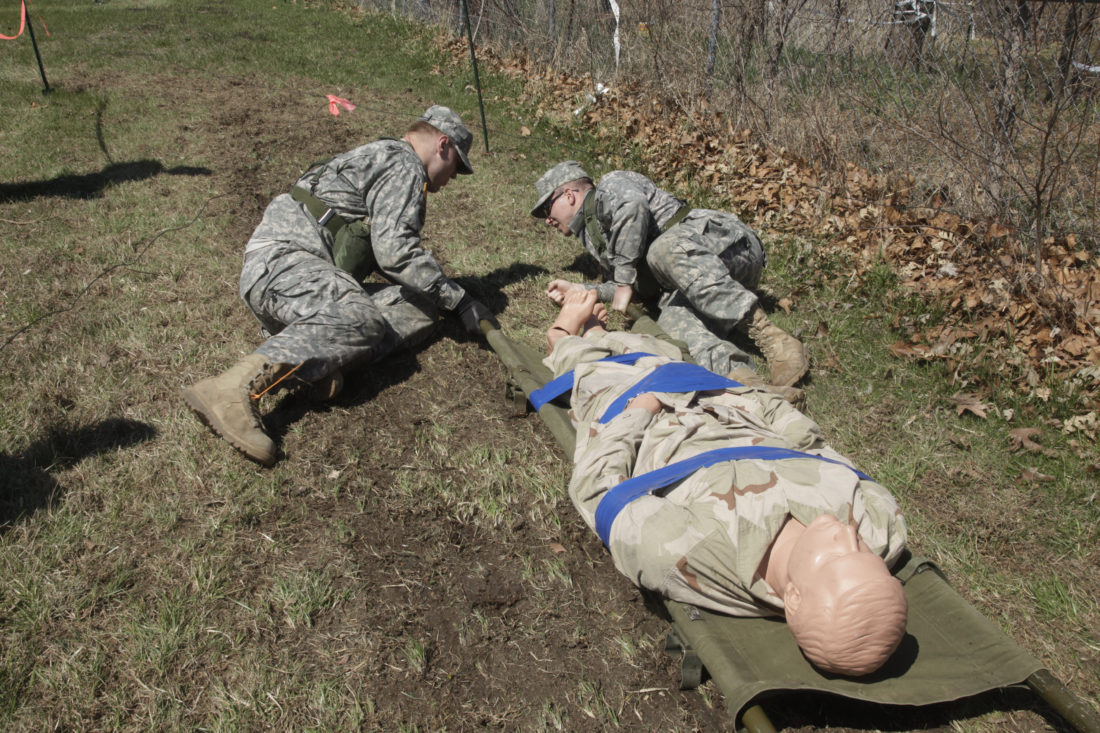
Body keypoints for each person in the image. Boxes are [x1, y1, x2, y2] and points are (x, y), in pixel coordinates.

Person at [540, 289, 907, 676]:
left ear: (795, 598)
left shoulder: (687, 551)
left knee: (590, 368)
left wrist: (639, 412)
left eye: (836, 557)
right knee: (657, 353)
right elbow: (811, 442)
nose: (847, 535)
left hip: (640, 413)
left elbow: (597, 488)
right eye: (863, 552)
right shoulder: (878, 525)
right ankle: (597, 330)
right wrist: (745, 398)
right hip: (714, 393)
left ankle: (563, 333)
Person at [183, 105, 496, 466]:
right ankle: (231, 389)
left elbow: (380, 249)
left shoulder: (381, 156)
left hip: (287, 279)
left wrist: (437, 296)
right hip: (284, 266)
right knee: (361, 315)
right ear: (443, 145)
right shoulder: (405, 165)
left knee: (420, 306)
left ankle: (321, 365)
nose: (454, 177)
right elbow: (396, 253)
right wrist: (460, 301)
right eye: (457, 165)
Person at [531, 161, 809, 390]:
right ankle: (750, 387)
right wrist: (581, 290)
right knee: (671, 327)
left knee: (661, 250)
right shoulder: (595, 237)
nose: (547, 220)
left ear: (569, 195)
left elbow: (633, 207)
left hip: (730, 249)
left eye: (547, 208)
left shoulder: (610, 186)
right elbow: (627, 289)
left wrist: (624, 279)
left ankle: (775, 341)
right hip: (691, 285)